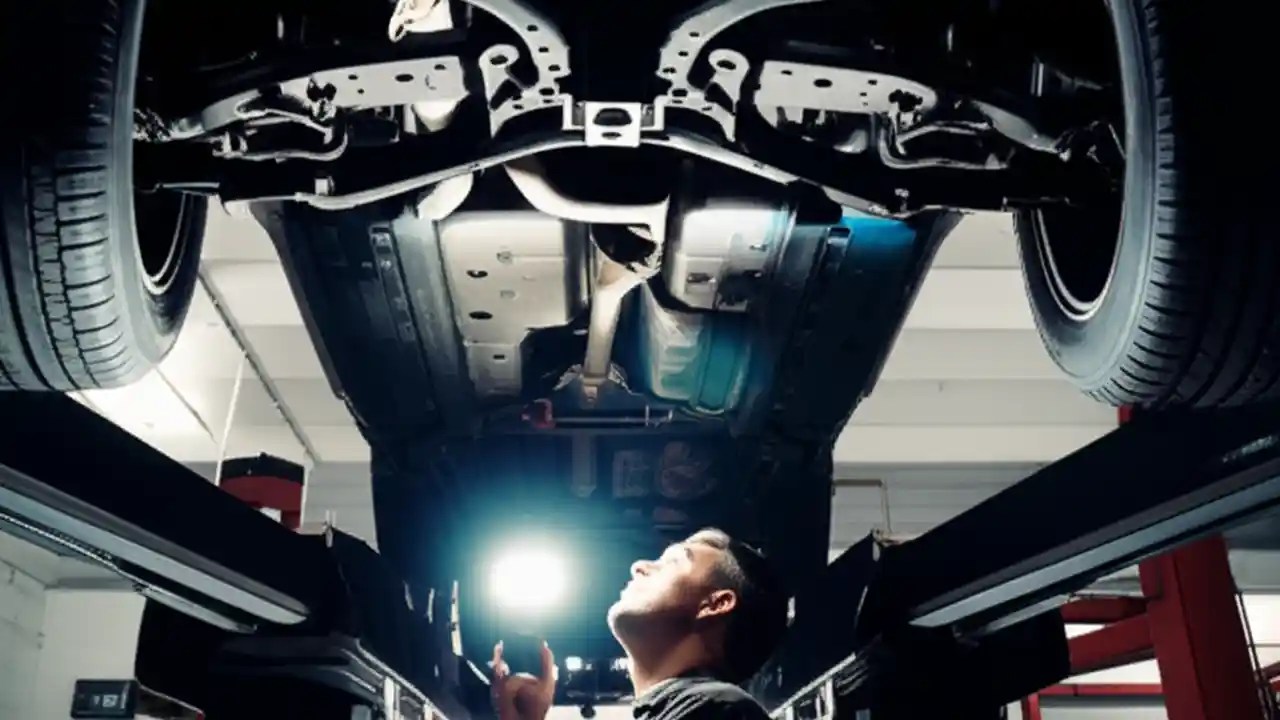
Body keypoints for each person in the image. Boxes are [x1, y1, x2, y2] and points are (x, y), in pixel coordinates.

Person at [491, 528, 789, 720]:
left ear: (714, 604)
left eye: (673, 562)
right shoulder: (692, 708)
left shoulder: (719, 709)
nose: (639, 566)